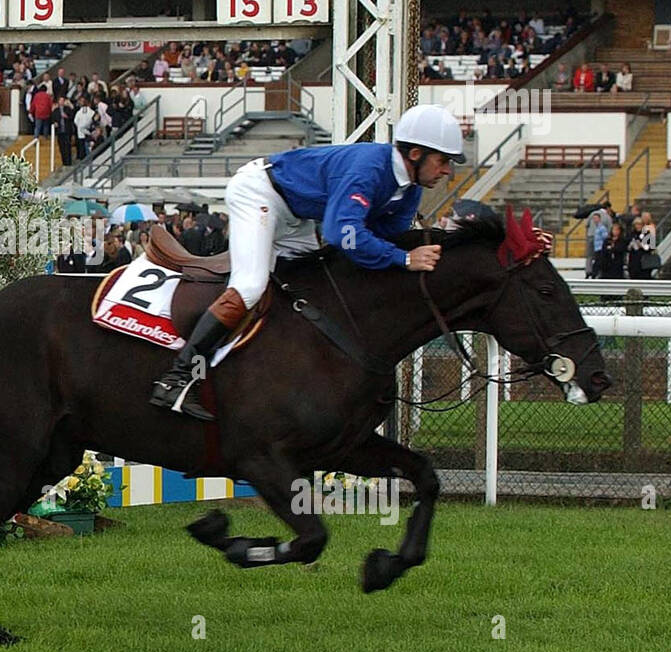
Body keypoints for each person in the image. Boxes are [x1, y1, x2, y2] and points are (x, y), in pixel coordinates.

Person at [150, 104, 464, 420]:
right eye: (443, 161)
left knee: (313, 289)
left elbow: (384, 238)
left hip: (296, 215)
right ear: (414, 154)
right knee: (250, 285)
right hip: (259, 193)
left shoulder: (409, 191)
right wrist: (404, 259)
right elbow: (344, 235)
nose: (447, 170)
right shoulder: (370, 169)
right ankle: (177, 377)